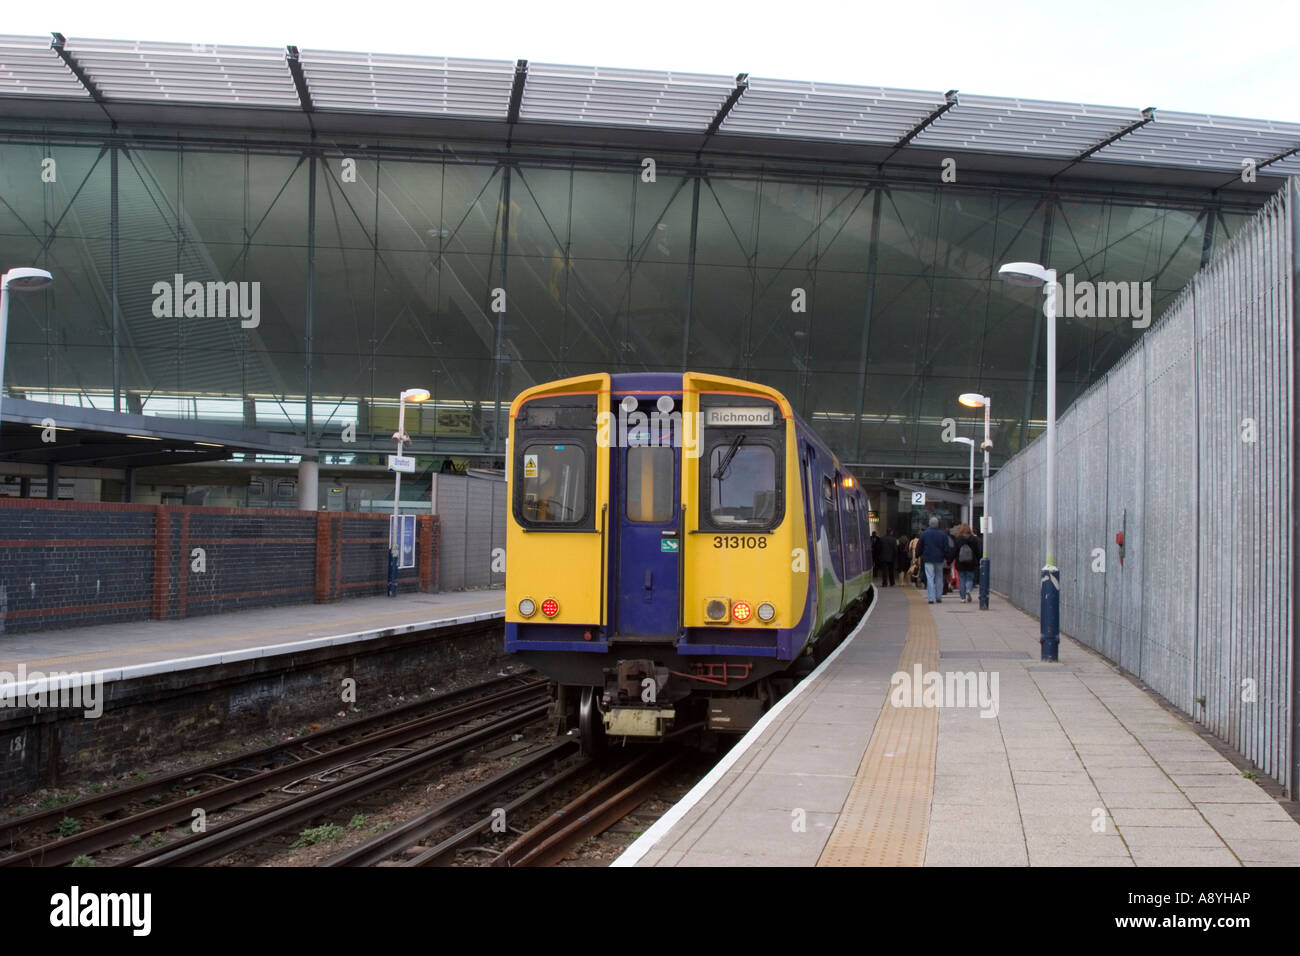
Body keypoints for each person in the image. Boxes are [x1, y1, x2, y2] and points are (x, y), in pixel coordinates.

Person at [918, 516, 951, 604]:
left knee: (930, 577)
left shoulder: (924, 534)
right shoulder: (943, 534)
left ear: (929, 524)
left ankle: (931, 598)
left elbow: (920, 546)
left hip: (928, 558)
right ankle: (938, 596)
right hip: (939, 559)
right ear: (937, 524)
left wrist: (918, 554)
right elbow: (946, 548)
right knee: (939, 577)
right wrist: (947, 558)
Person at [952, 523, 981, 603]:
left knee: (961, 579)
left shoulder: (958, 539)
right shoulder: (974, 539)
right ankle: (968, 589)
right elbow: (977, 552)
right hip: (971, 563)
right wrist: (979, 560)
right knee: (969, 578)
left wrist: (950, 560)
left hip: (960, 563)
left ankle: (963, 598)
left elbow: (954, 551)